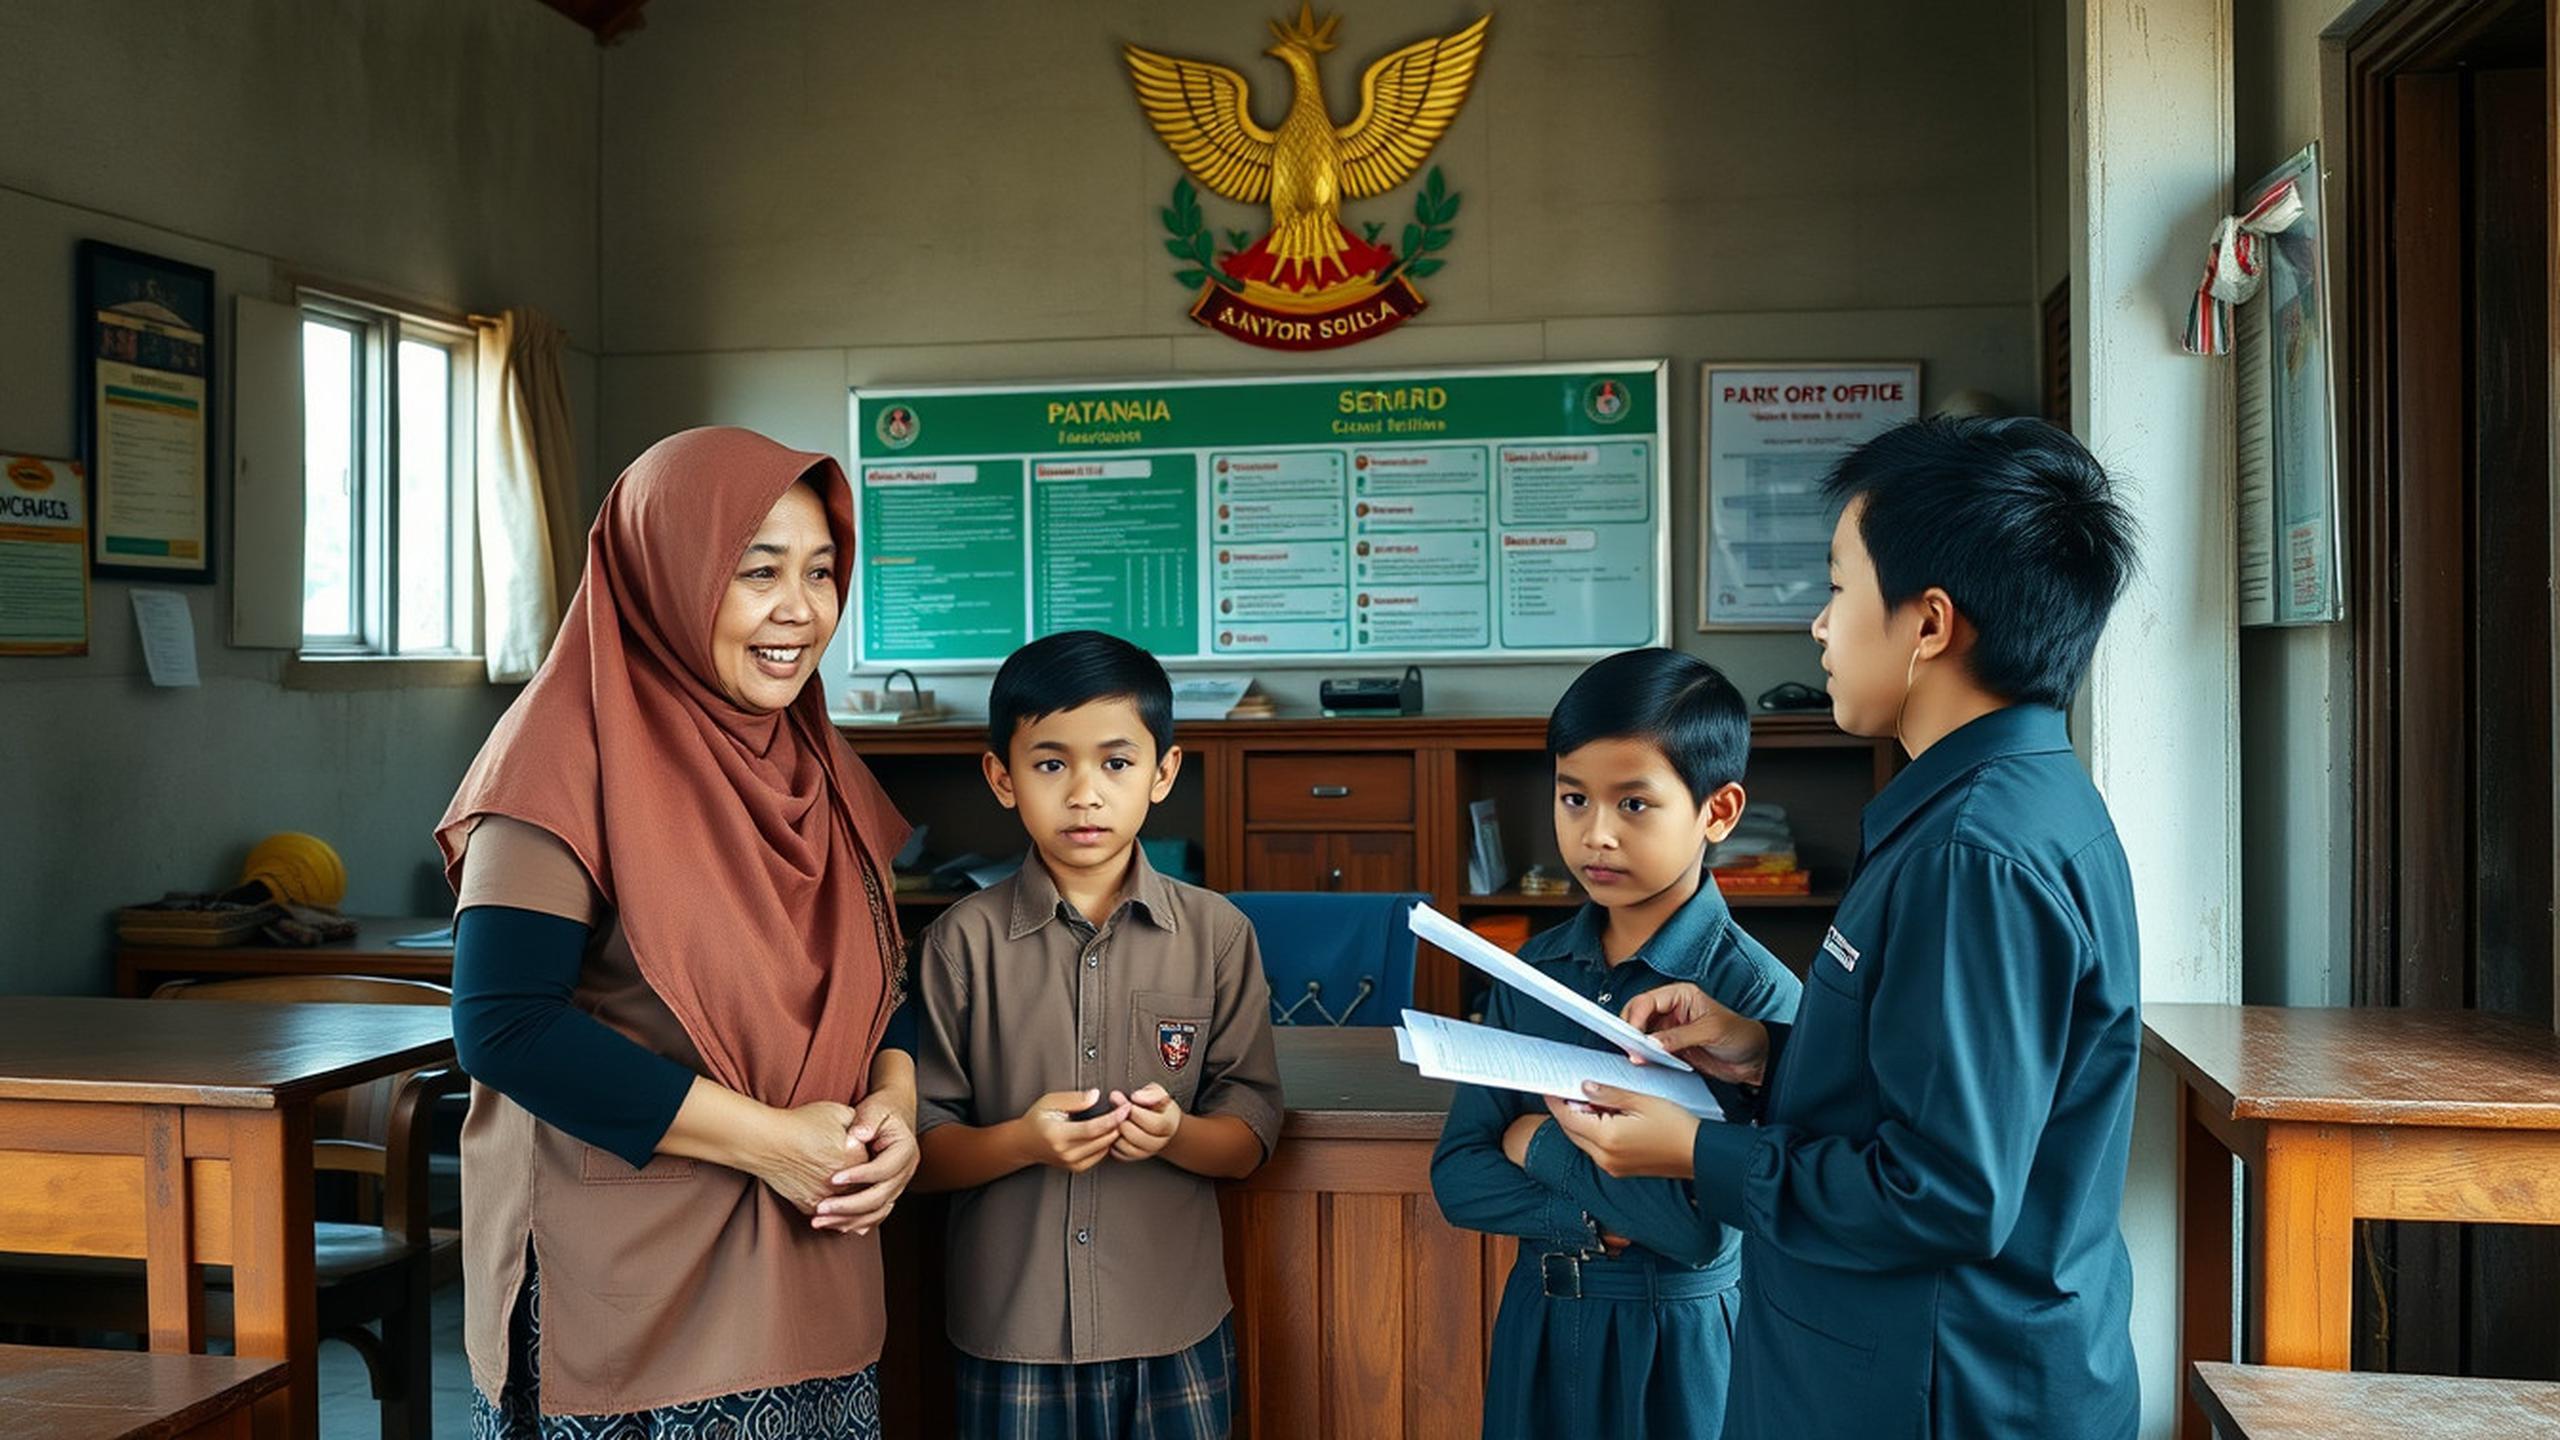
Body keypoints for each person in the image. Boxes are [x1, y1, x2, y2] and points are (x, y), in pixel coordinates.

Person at [1543, 417, 2144, 1439]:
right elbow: (1936, 1097)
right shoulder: (2009, 800)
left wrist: (1694, 1151)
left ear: (1928, 624)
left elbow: (1944, 1192)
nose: (1818, 627)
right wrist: (1760, 1052)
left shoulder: (1970, 855)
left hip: (1933, 1386)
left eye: (1838, 588)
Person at [440, 426, 920, 1436]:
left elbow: (879, 985)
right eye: (757, 572)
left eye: (822, 571)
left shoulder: (813, 762)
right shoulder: (556, 761)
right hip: (634, 1306)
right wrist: (773, 1145)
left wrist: (895, 1109)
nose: (800, 608)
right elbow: (505, 1028)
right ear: (667, 572)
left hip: (813, 1275)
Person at [910, 629, 1285, 1440]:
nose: (1084, 793)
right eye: (1051, 764)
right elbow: (923, 1147)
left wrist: (1178, 1135)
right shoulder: (959, 943)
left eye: (1116, 763)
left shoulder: (1217, 935)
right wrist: (1022, 1142)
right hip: (1014, 1331)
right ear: (1002, 779)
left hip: (1170, 1319)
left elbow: (1253, 1128)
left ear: (1164, 773)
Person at [1430, 647, 1800, 1439]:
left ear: (1719, 810)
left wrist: (1534, 1143)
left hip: (1682, 1344)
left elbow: (1703, 1234)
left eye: (1633, 805)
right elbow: (1459, 1177)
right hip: (1538, 1321)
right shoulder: (1534, 968)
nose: (1595, 835)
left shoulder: (1758, 1001)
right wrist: (1599, 1216)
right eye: (1573, 798)